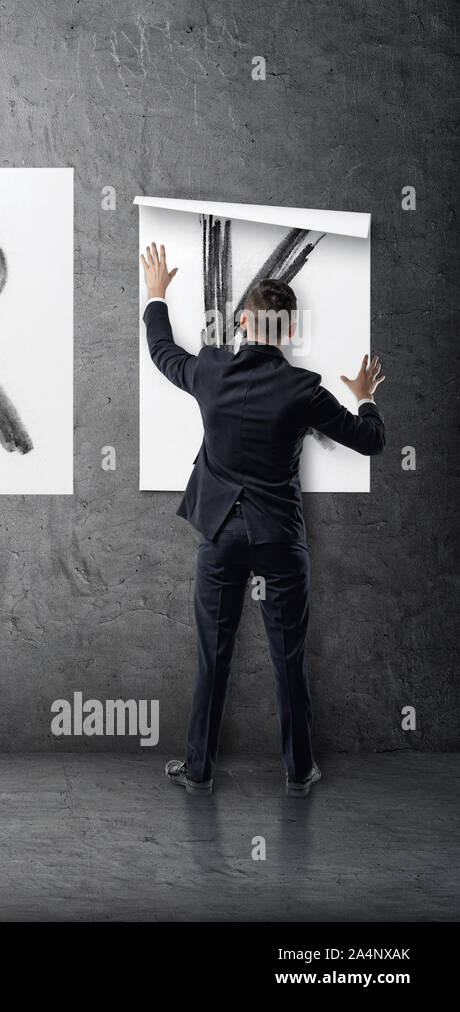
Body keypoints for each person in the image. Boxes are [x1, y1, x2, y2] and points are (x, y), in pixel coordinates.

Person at [140, 243, 386, 797]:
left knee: (213, 656)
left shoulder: (210, 370)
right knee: (289, 659)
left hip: (222, 534)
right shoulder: (305, 390)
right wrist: (366, 397)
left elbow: (161, 350)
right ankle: (299, 772)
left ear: (244, 322)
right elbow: (370, 440)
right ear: (289, 327)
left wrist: (158, 292)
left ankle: (199, 771)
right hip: (280, 538)